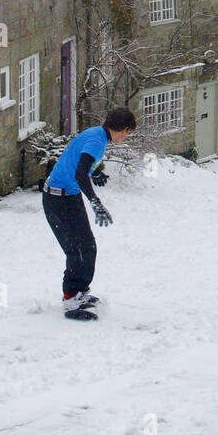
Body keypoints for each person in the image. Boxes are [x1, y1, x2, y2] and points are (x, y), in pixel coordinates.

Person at [42, 107, 136, 321]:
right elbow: (79, 173)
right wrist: (96, 203)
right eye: (128, 132)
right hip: (59, 199)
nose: (126, 136)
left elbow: (79, 162)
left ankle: (80, 292)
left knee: (87, 247)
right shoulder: (97, 142)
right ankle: (71, 298)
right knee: (79, 249)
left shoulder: (97, 134)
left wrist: (95, 172)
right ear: (123, 130)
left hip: (67, 195)